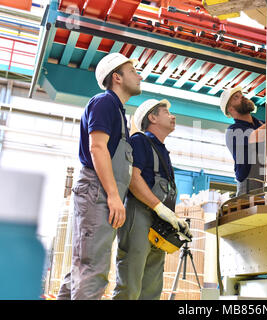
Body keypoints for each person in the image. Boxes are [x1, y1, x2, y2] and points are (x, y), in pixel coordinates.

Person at [56, 52, 143, 300]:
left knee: (81, 269)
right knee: (93, 270)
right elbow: (97, 148)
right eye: (133, 71)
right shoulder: (104, 103)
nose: (139, 76)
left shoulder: (117, 111)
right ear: (117, 77)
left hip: (100, 192)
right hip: (98, 191)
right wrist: (113, 195)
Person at [113, 99, 191, 300]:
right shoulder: (140, 141)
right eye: (166, 112)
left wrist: (173, 219)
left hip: (159, 222)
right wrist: (158, 206)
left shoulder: (163, 150)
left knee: (151, 289)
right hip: (139, 216)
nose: (172, 116)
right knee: (129, 286)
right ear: (152, 117)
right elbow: (133, 178)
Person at [221, 86, 266, 196]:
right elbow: (257, 136)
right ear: (230, 109)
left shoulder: (261, 123)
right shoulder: (233, 131)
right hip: (247, 194)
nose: (242, 97)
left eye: (242, 94)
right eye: (236, 97)